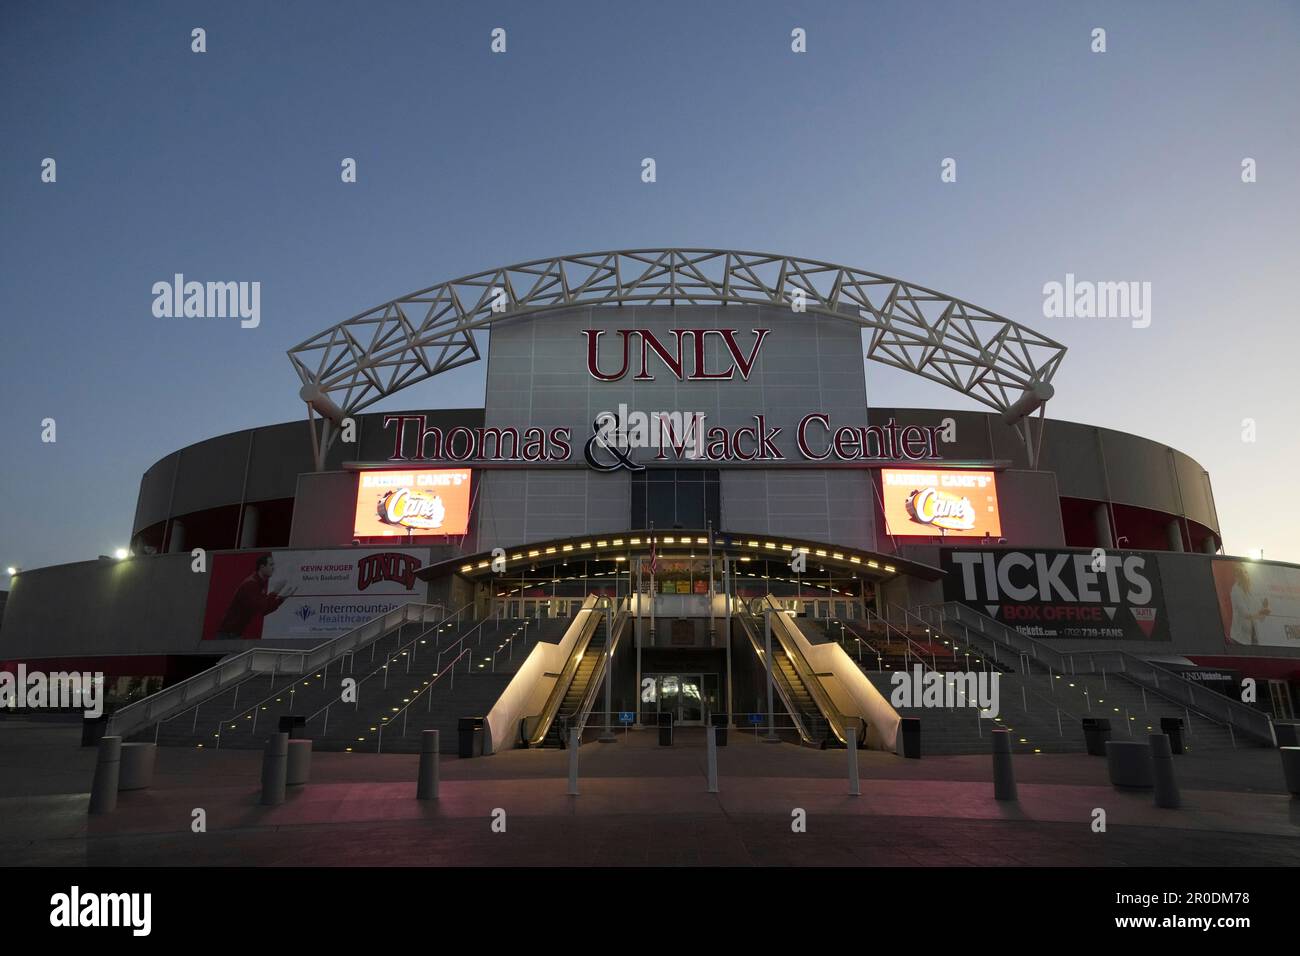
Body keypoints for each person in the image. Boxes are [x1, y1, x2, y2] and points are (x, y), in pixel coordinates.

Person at [215, 554, 298, 640]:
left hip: (235, 634)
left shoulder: (259, 583)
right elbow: (262, 608)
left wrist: (281, 598)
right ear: (262, 567)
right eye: (271, 565)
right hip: (227, 635)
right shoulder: (251, 584)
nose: (273, 568)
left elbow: (264, 610)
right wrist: (275, 592)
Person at [1228, 562, 1269, 645]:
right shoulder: (1235, 590)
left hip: (1253, 637)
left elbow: (1260, 616)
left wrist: (1264, 607)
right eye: (1241, 572)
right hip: (1239, 639)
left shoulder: (1251, 590)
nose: (1245, 575)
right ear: (1237, 576)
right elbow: (1245, 614)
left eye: (1246, 572)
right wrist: (1260, 613)